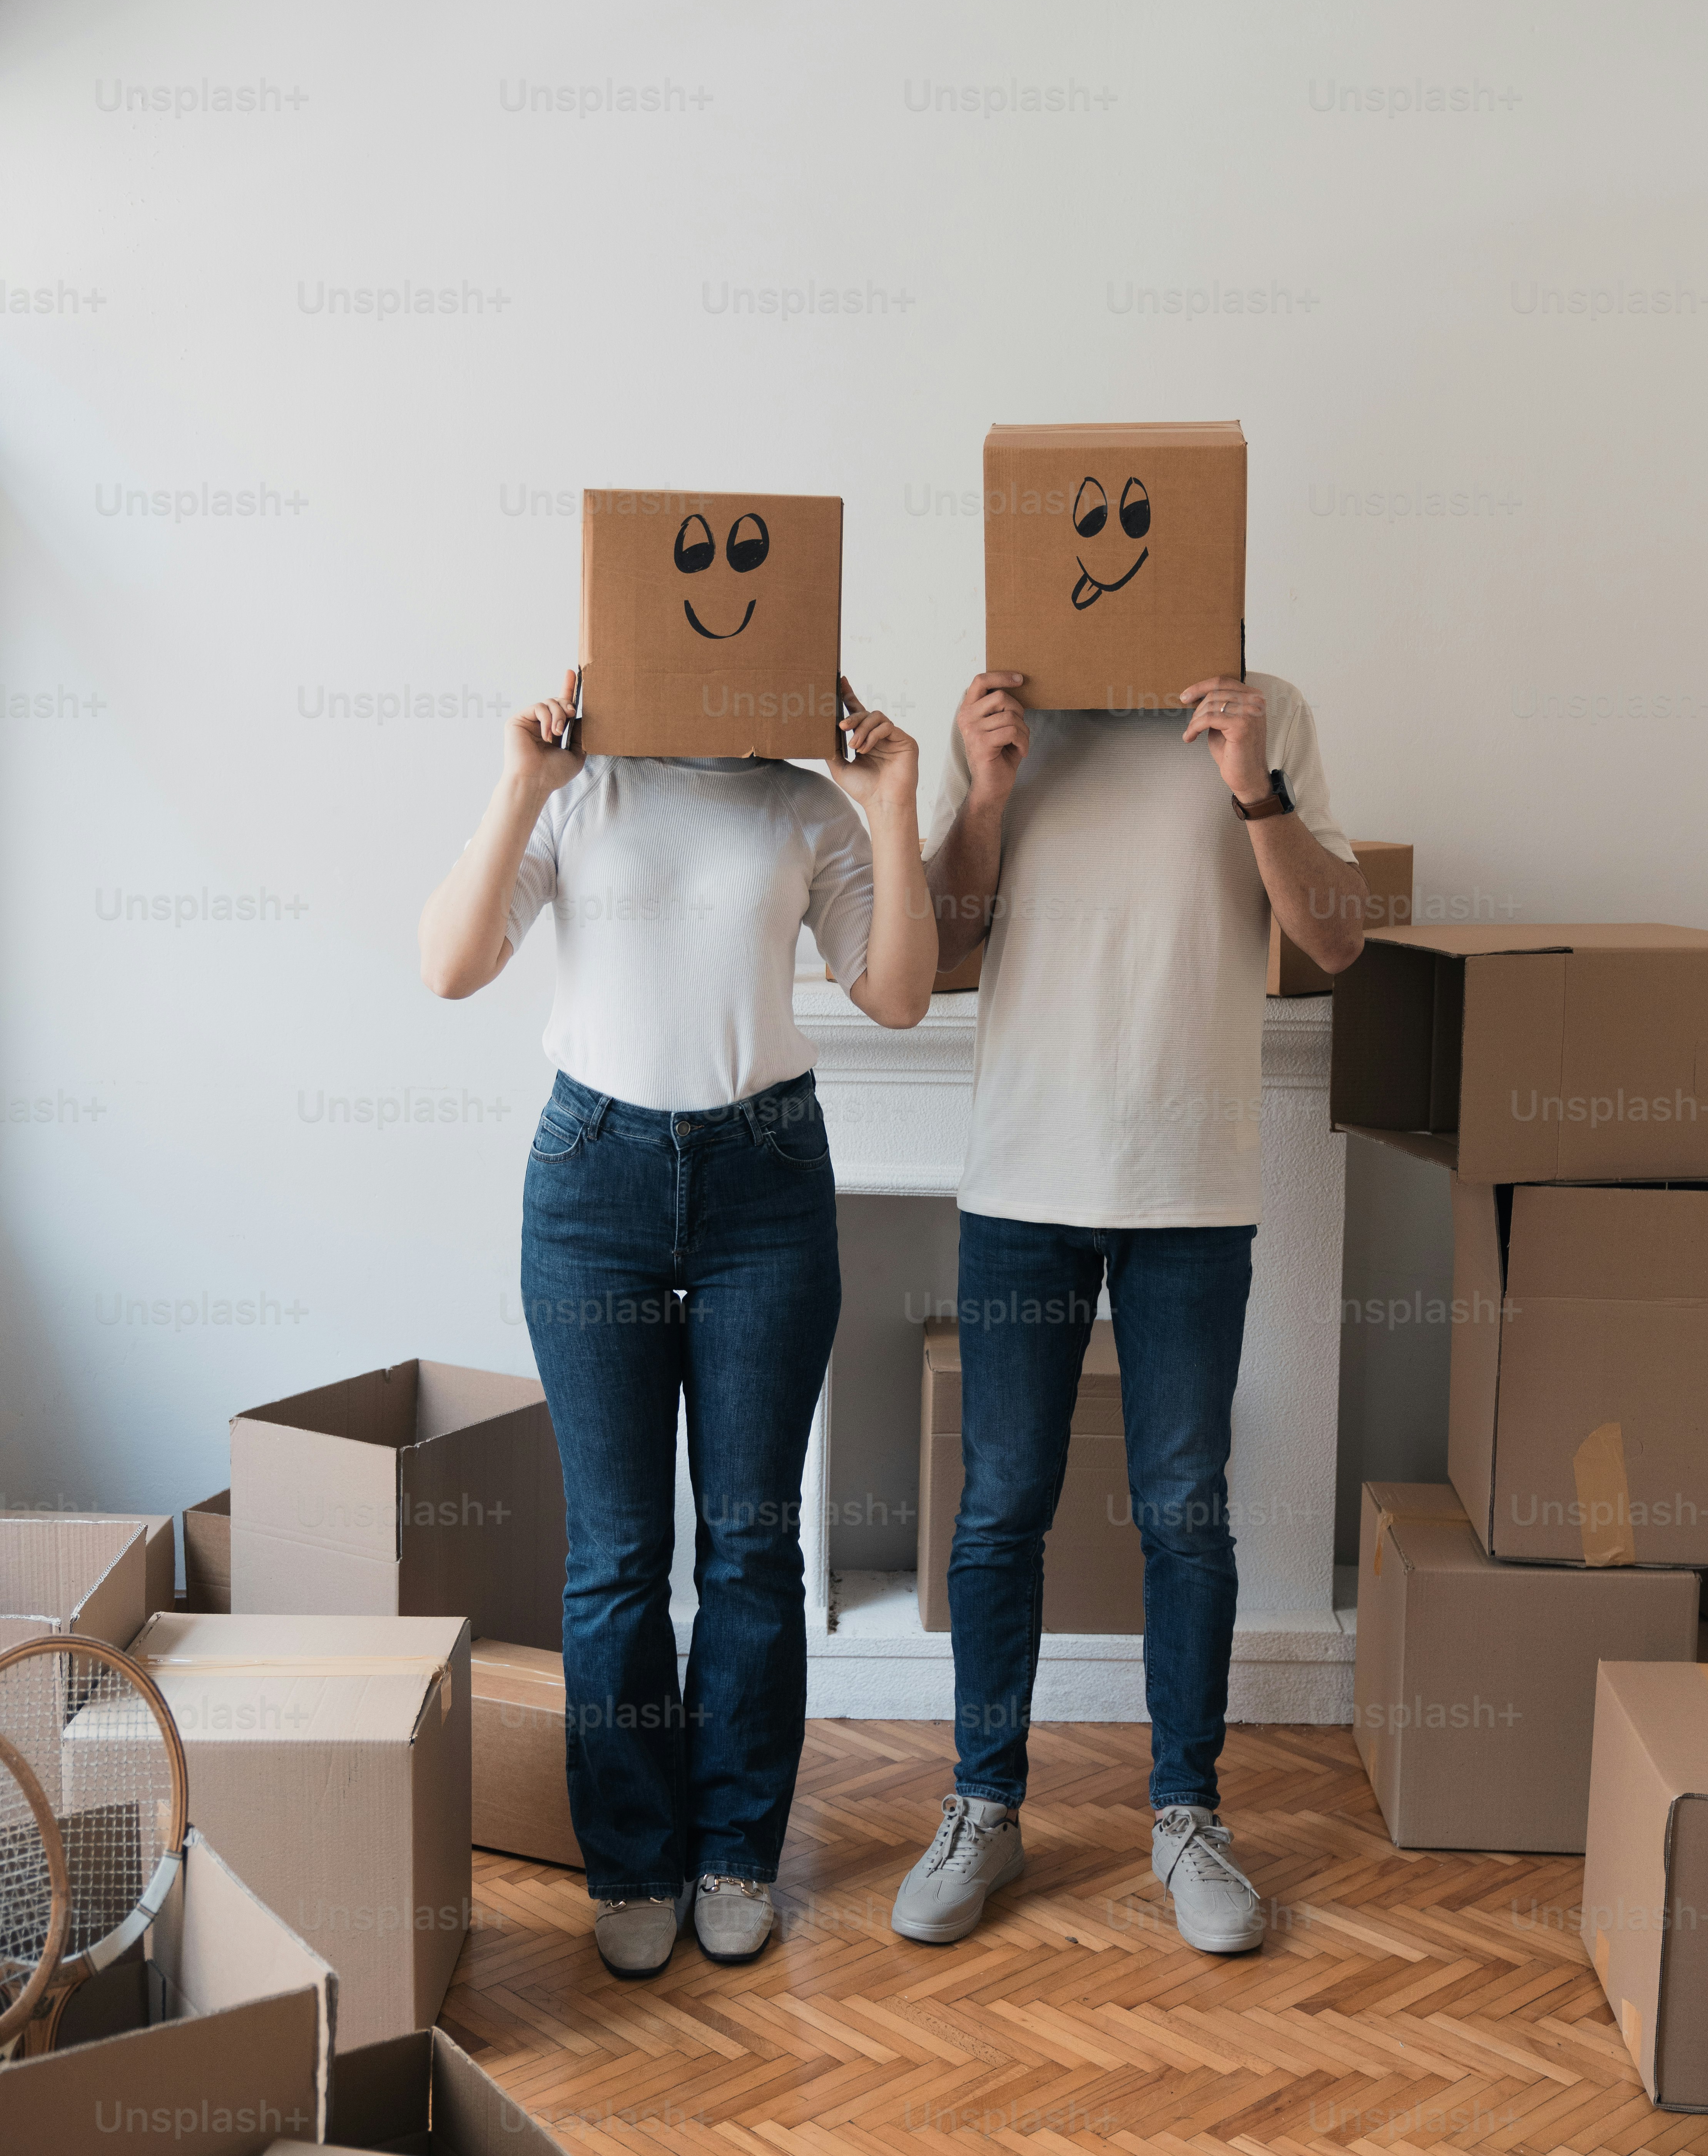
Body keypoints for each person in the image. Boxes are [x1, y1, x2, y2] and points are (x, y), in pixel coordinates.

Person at [420, 670, 934, 1978]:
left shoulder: (804, 807)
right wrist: (520, 781)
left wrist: (892, 804)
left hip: (767, 1181)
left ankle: (735, 1853)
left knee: (755, 1547)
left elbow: (899, 996)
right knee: (617, 1554)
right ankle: (635, 1860)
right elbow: (450, 966)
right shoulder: (580, 790)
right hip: (593, 1178)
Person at [891, 670, 1367, 1955]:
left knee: (1185, 1511)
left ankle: (1187, 1817)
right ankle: (984, 1804)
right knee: (999, 1508)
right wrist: (987, 788)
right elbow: (938, 953)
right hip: (1021, 1182)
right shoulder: (997, 713)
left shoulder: (1268, 714)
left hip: (1191, 1184)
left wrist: (1254, 788)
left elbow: (1336, 941)